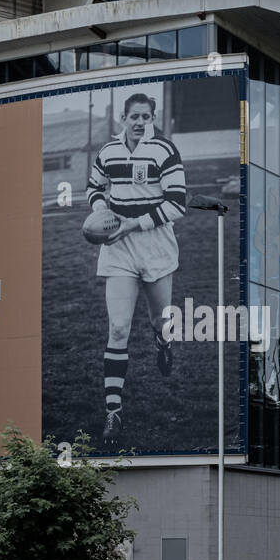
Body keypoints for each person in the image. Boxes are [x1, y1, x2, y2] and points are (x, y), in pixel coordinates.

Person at [86, 93, 186, 444]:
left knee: (162, 320)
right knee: (117, 328)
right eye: (134, 117)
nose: (140, 122)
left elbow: (177, 203)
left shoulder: (164, 150)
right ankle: (113, 411)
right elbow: (94, 187)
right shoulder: (107, 152)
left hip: (156, 245)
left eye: (146, 116)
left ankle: (162, 342)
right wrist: (103, 213)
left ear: (153, 118)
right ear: (122, 119)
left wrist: (133, 224)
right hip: (119, 250)